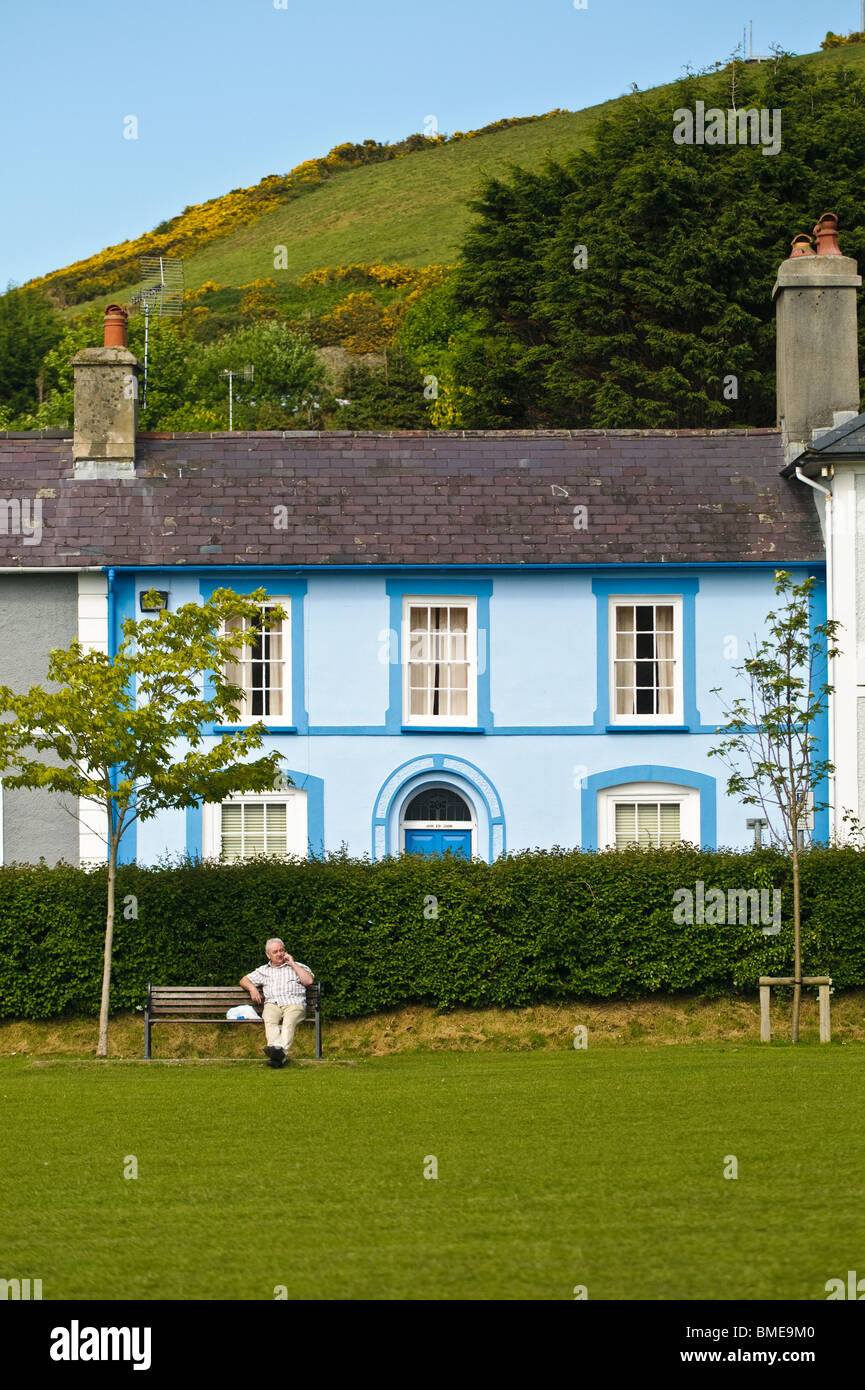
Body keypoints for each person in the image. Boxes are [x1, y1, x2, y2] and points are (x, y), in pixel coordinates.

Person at [240, 939, 314, 1068]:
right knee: (269, 1019)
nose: (279, 954)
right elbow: (244, 980)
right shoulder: (263, 970)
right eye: (275, 952)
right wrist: (252, 988)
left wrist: (293, 964)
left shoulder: (298, 966)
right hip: (273, 1004)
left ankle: (277, 1053)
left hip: (294, 1004)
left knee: (288, 1023)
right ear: (268, 955)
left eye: (281, 950)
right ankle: (277, 1054)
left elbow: (308, 981)